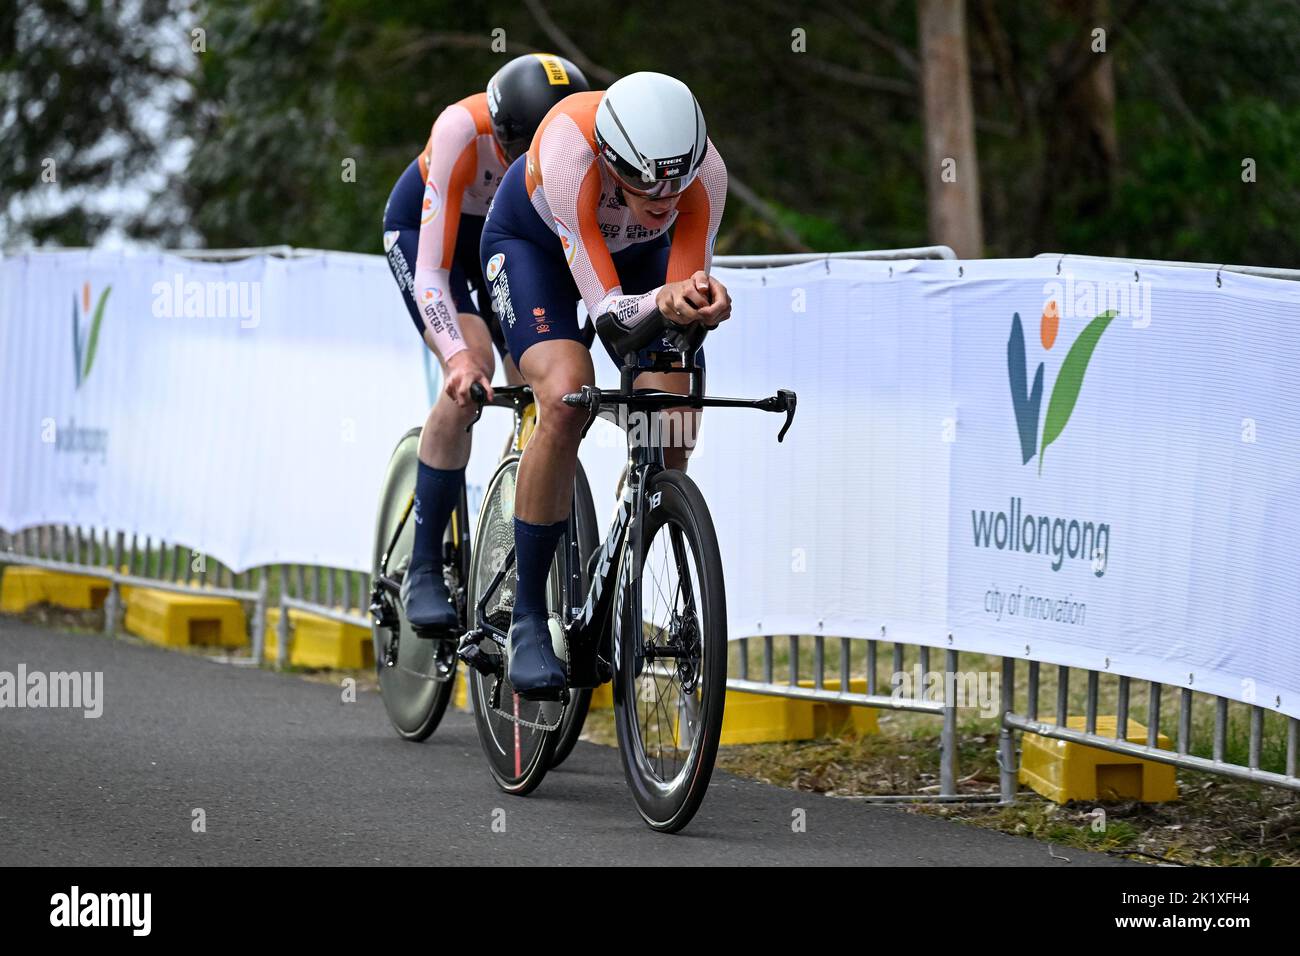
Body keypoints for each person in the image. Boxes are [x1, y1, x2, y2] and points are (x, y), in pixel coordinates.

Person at [479, 71, 731, 698]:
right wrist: (668, 302)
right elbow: (611, 319)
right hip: (536, 250)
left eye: (679, 183)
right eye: (647, 183)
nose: (666, 196)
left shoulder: (707, 177)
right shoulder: (570, 153)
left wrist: (699, 302)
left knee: (670, 418)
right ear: (614, 157)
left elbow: (677, 301)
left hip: (636, 263)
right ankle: (529, 620)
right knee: (567, 395)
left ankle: (611, 576)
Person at [381, 53, 589, 633]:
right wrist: (458, 357)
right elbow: (431, 273)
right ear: (504, 141)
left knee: (539, 387)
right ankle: (423, 567)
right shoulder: (461, 129)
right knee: (472, 376)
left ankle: (510, 511)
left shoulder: (576, 147)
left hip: (513, 236)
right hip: (435, 236)